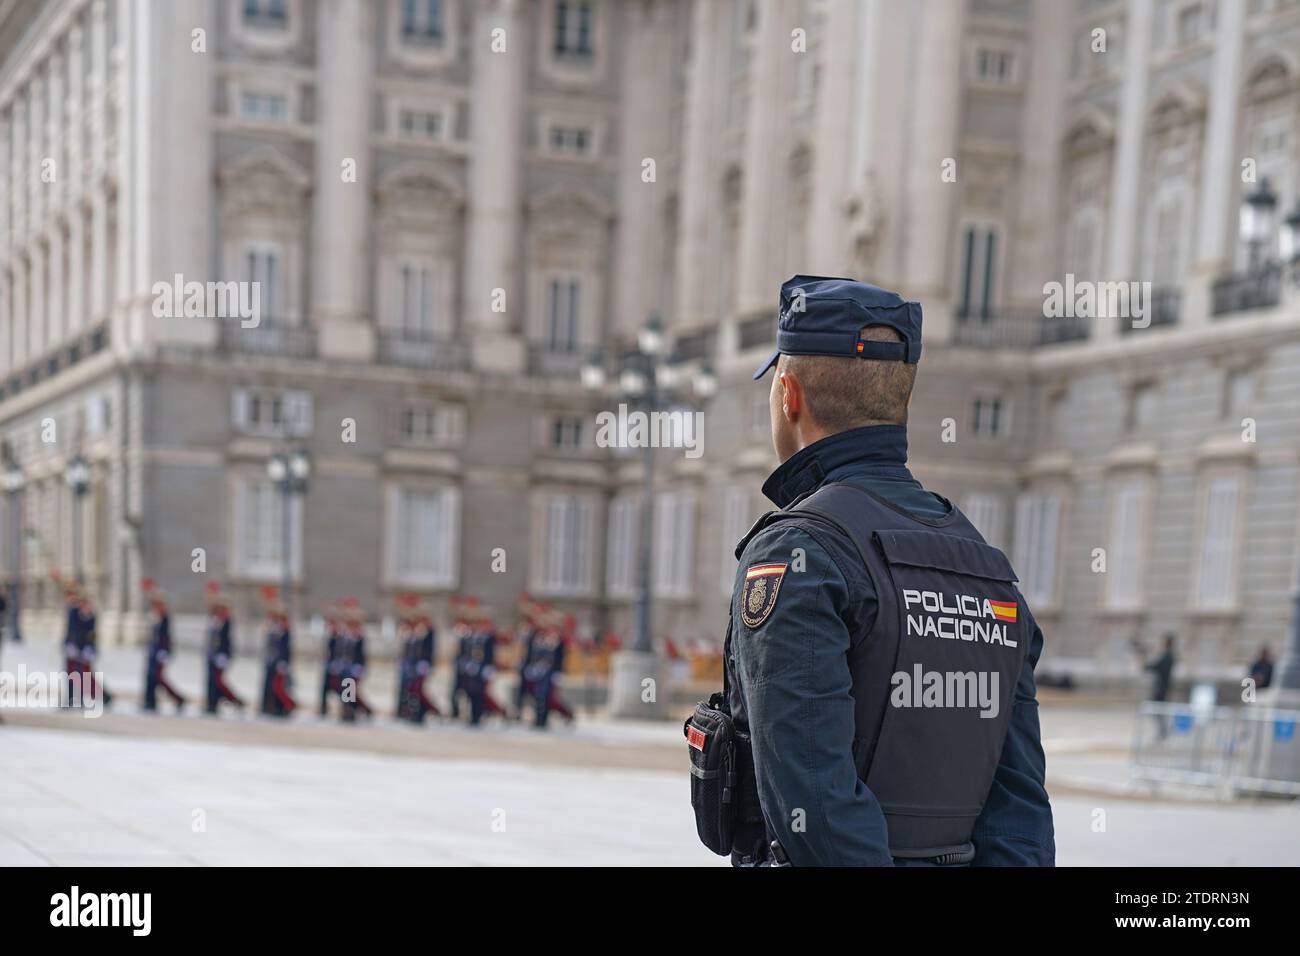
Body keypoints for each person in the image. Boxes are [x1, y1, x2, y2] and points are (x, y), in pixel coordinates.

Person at [700, 276, 1053, 867]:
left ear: (788, 396)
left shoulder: (797, 553)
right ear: (900, 402)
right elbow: (1020, 812)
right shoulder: (988, 569)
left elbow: (817, 811)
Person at [141, 581, 186, 713]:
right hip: (153, 650)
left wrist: (164, 651)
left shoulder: (165, 617)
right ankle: (149, 701)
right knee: (150, 676)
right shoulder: (155, 616)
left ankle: (178, 698)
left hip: (161, 650)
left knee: (157, 677)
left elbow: (166, 636)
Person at [204, 583, 244, 714]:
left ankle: (235, 700)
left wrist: (224, 655)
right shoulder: (214, 620)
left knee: (218, 681)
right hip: (212, 653)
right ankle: (212, 703)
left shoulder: (227, 621)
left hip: (222, 654)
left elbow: (227, 640)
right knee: (211, 680)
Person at [260, 590, 296, 717]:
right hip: (271, 660)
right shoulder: (273, 627)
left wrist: (284, 662)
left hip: (280, 661)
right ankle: (268, 707)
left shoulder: (285, 629)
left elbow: (285, 648)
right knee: (269, 685)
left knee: (279, 686)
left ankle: (286, 706)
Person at [339, 601, 373, 722]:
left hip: (355, 667)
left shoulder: (359, 637)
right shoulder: (345, 636)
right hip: (346, 666)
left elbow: (361, 654)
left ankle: (353, 710)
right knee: (346, 689)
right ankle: (346, 710)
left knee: (351, 690)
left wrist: (359, 667)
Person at [319, 603, 347, 717]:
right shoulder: (331, 635)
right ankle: (323, 708)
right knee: (326, 686)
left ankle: (348, 709)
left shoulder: (343, 635)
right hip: (331, 664)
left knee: (347, 687)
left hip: (345, 666)